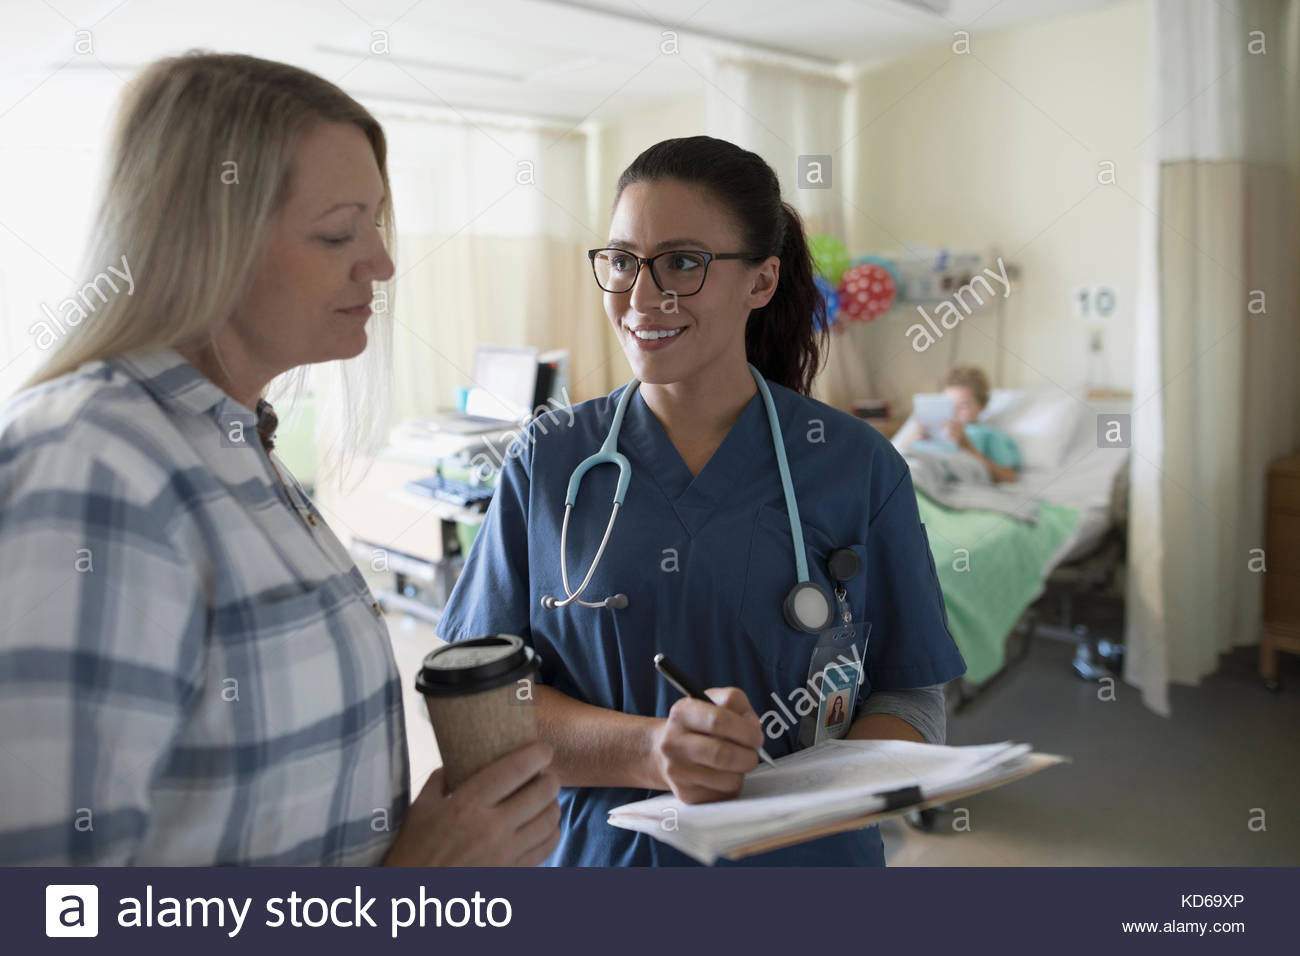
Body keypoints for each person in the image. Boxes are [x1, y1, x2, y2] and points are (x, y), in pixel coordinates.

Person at [0, 52, 559, 866]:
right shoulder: (93, 467)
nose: (382, 264)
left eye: (374, 225)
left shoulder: (234, 448)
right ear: (205, 242)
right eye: (338, 232)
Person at [436, 136, 966, 866]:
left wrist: (796, 805)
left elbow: (910, 701)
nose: (643, 296)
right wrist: (651, 752)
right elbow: (482, 710)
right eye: (623, 261)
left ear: (761, 280)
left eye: (684, 262)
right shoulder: (549, 461)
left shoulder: (856, 466)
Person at [895, 365, 1021, 483]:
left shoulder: (989, 435)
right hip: (918, 467)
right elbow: (898, 458)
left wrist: (967, 447)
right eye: (948, 404)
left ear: (982, 405)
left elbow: (1009, 477)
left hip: (952, 472)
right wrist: (911, 439)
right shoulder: (927, 431)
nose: (954, 412)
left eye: (963, 405)